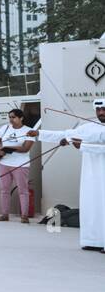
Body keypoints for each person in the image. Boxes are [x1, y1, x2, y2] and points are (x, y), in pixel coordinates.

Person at [33, 98, 105, 252]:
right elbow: (66, 134)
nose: (101, 113)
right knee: (92, 206)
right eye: (98, 110)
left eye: (104, 110)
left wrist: (83, 145)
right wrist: (39, 133)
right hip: (91, 176)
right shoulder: (89, 128)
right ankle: (94, 240)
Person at [0, 108, 35, 223]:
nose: (11, 119)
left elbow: (26, 148)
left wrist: (9, 148)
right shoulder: (5, 128)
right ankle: (4, 214)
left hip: (21, 164)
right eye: (10, 117)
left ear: (21, 118)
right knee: (4, 190)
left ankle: (24, 216)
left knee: (23, 190)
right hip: (4, 163)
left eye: (14, 117)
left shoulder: (29, 131)